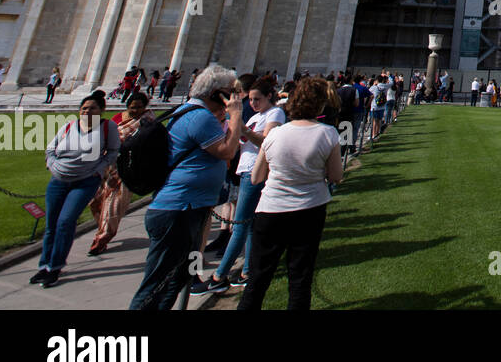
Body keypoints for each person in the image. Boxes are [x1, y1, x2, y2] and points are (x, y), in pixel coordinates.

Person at [129, 65, 244, 311]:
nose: (234, 97)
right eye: (229, 92)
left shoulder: (195, 114)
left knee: (177, 279)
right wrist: (235, 115)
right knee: (155, 285)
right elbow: (227, 151)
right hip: (178, 209)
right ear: (216, 93)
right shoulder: (199, 116)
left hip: (191, 208)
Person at [238, 76, 343, 310]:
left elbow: (256, 177)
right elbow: (336, 176)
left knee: (258, 278)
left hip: (271, 209)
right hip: (309, 209)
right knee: (300, 278)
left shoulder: (274, 134)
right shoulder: (327, 134)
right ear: (320, 105)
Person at [194, 78, 285, 295]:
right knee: (250, 225)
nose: (252, 103)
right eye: (250, 99)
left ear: (270, 96)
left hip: (255, 173)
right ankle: (247, 271)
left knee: (240, 225)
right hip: (244, 171)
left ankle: (219, 275)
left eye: (257, 99)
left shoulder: (275, 114)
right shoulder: (255, 116)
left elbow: (266, 142)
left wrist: (242, 129)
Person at [31, 91, 120, 287]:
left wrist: (99, 170)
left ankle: (55, 267)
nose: (87, 111)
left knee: (66, 222)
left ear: (101, 110)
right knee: (51, 225)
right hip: (58, 180)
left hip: (85, 182)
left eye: (92, 108)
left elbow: (113, 151)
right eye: (84, 108)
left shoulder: (107, 128)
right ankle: (43, 265)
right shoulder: (69, 126)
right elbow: (50, 149)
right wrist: (51, 164)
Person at [87, 92, 154, 256]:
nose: (135, 111)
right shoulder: (118, 117)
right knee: (94, 201)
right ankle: (103, 227)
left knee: (113, 206)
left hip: (127, 169)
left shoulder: (148, 122)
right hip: (106, 166)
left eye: (139, 107)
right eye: (133, 107)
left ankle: (101, 239)